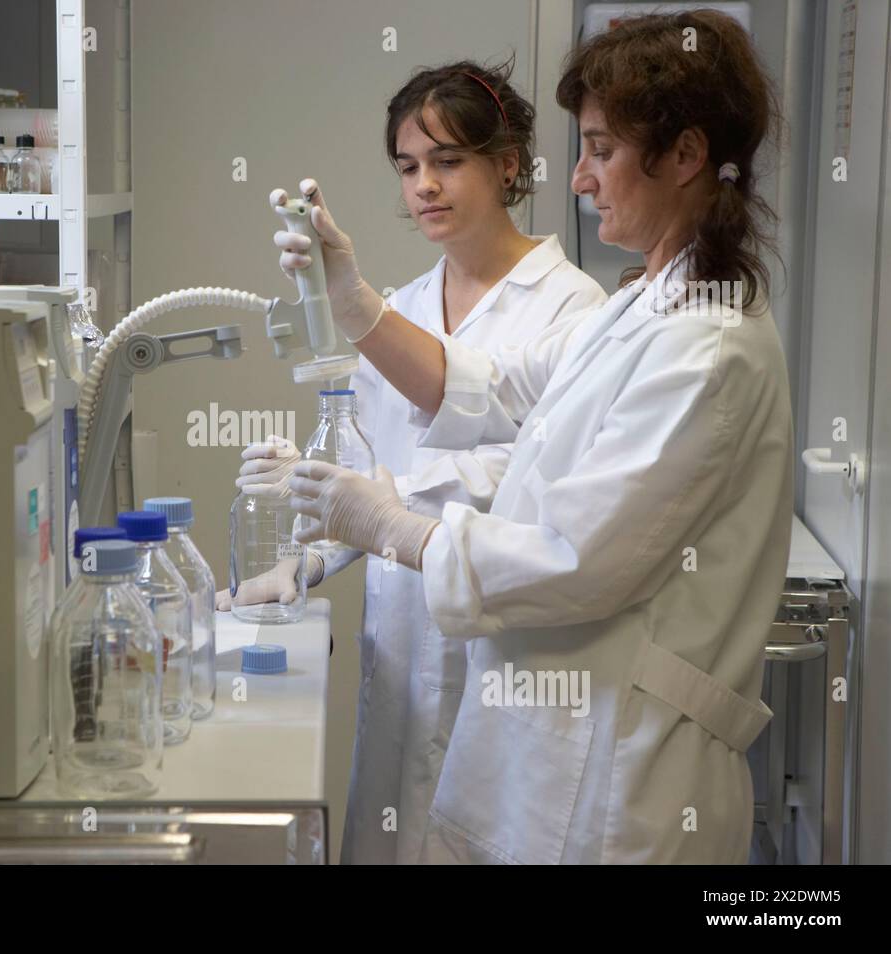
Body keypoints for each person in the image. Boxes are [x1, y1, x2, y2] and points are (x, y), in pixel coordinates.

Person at [285, 10, 792, 863]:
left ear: (684, 155)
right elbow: (502, 395)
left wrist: (394, 528)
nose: (584, 178)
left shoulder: (705, 348)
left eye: (600, 149)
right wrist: (358, 310)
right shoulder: (646, 302)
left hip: (624, 780)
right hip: (556, 750)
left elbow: (577, 557)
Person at [218, 59, 606, 864]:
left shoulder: (574, 310)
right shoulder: (403, 307)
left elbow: (526, 484)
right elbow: (369, 466)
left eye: (448, 161)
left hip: (502, 654)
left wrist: (377, 502)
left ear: (508, 164)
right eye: (408, 167)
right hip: (399, 653)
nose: (425, 185)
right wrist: (307, 556)